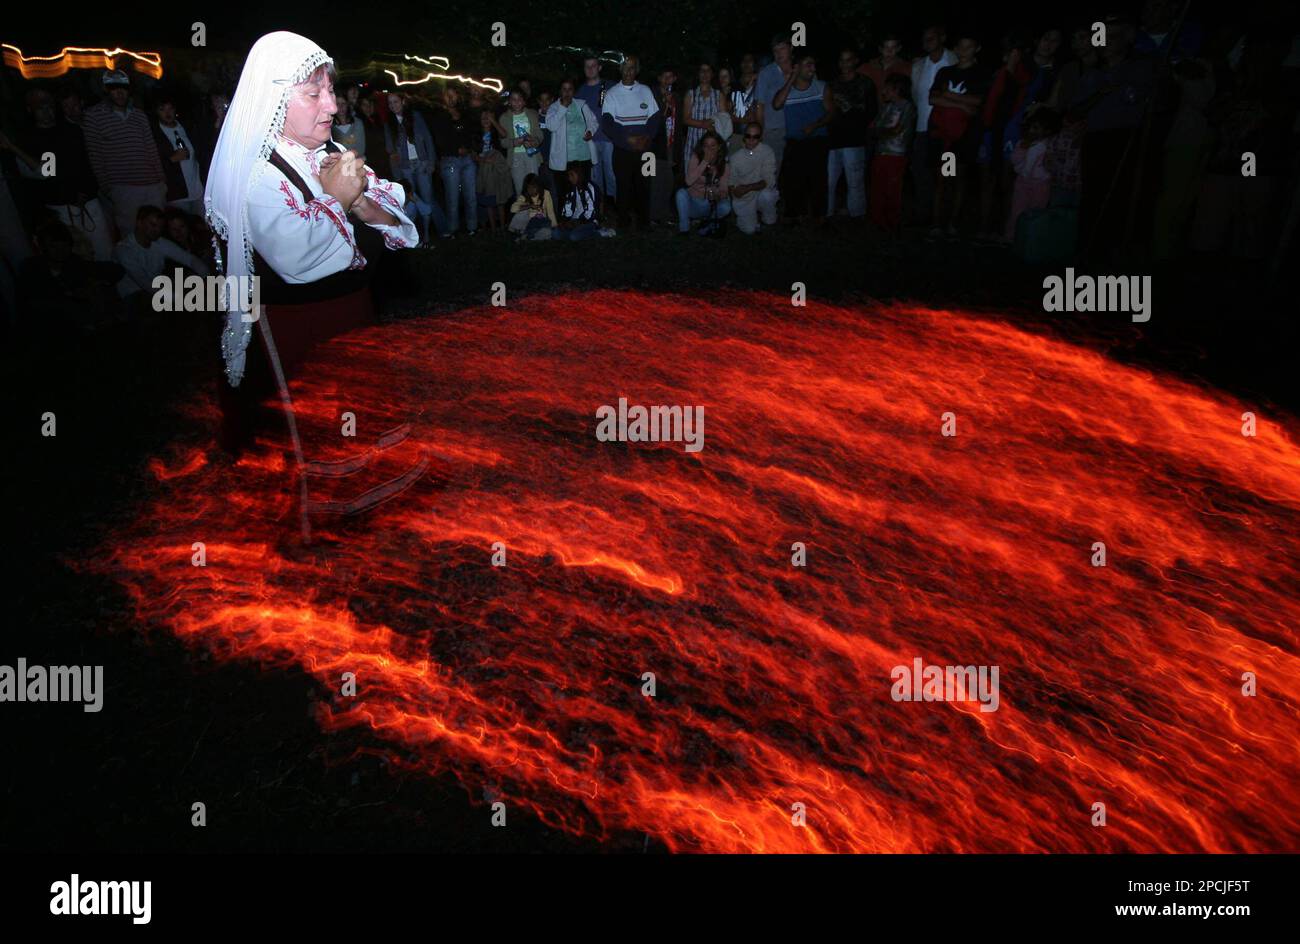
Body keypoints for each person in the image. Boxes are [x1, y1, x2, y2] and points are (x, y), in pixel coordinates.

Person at [205, 30, 418, 454]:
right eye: (312, 92)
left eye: (331, 89)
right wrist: (339, 197)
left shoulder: (330, 151)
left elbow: (401, 226)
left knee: (367, 416)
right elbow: (295, 257)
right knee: (321, 435)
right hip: (301, 331)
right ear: (275, 99)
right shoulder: (257, 174)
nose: (332, 104)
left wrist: (358, 203)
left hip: (354, 313)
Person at [10, 87, 113, 261]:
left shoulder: (72, 130)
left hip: (89, 202)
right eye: (39, 105)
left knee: (105, 252)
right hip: (61, 208)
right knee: (76, 257)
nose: (46, 109)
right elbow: (46, 173)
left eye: (48, 103)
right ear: (30, 109)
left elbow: (88, 163)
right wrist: (70, 195)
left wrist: (87, 191)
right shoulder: (29, 140)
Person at [82, 69, 167, 239]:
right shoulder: (93, 116)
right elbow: (95, 154)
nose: (119, 92)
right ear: (106, 89)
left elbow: (151, 148)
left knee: (158, 232)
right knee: (131, 234)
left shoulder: (139, 115)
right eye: (114, 88)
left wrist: (162, 180)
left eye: (123, 87)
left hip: (152, 184)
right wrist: (108, 187)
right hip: (123, 187)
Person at [927, 35, 991, 240]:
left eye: (969, 46)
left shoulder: (981, 74)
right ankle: (937, 223)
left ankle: (953, 223)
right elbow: (933, 97)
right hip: (942, 133)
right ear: (955, 48)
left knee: (959, 179)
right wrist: (962, 105)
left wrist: (950, 96)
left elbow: (979, 101)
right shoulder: (946, 72)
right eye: (961, 46)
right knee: (941, 179)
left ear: (977, 48)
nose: (964, 51)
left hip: (964, 135)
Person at [600, 55, 663, 233]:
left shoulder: (646, 90)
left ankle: (644, 222)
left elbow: (655, 117)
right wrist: (628, 140)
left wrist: (646, 138)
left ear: (637, 70)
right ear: (620, 69)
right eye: (625, 67)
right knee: (623, 187)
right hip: (622, 150)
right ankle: (623, 222)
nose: (629, 71)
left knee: (645, 185)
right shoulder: (612, 93)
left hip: (646, 150)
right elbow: (607, 123)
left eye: (632, 68)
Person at [774, 54, 835, 225]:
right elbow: (777, 104)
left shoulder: (821, 87)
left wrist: (815, 125)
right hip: (795, 142)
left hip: (817, 140)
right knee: (793, 179)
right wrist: (791, 78)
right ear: (797, 67)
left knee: (818, 180)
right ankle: (795, 213)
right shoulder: (788, 90)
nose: (812, 69)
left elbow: (831, 112)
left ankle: (818, 215)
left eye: (813, 65)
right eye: (808, 65)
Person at [910, 25, 957, 225]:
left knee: (947, 172)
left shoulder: (955, 61)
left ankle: (946, 216)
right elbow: (915, 96)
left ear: (942, 37)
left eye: (932, 37)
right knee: (920, 170)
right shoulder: (918, 65)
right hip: (922, 128)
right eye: (925, 38)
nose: (927, 41)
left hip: (948, 130)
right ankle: (925, 213)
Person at [113, 204, 209, 300]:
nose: (157, 230)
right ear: (139, 223)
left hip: (158, 290)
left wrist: (206, 279)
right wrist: (182, 297)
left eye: (160, 226)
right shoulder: (124, 250)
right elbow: (146, 284)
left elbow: (189, 259)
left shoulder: (159, 242)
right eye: (153, 225)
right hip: (133, 296)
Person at [827, 47, 874, 219]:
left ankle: (857, 214)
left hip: (855, 140)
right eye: (842, 60)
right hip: (833, 139)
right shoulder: (832, 84)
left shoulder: (865, 83)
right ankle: (828, 212)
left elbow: (871, 111)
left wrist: (854, 121)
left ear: (855, 61)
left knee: (855, 181)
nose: (845, 64)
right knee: (830, 181)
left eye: (848, 60)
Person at [385, 92, 439, 234]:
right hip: (405, 167)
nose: (393, 105)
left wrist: (432, 162)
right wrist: (397, 174)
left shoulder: (415, 116)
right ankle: (415, 235)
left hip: (421, 163)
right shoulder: (389, 123)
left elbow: (428, 138)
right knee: (410, 200)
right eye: (390, 103)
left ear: (403, 101)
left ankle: (427, 234)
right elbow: (391, 151)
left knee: (427, 198)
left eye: (395, 101)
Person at [870, 73, 916, 237]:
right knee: (878, 188)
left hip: (896, 155)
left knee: (892, 189)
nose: (883, 91)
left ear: (896, 89)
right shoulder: (887, 107)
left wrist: (881, 132)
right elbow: (874, 128)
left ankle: (892, 222)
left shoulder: (906, 107)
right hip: (881, 152)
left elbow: (896, 130)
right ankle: (879, 221)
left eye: (887, 88)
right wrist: (882, 132)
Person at [430, 86, 479, 236]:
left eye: (453, 95)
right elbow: (439, 140)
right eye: (447, 95)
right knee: (452, 197)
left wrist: (470, 149)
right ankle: (452, 229)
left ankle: (472, 227)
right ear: (443, 97)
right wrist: (456, 149)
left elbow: (472, 133)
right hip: (450, 160)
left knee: (471, 196)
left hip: (467, 160)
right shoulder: (439, 116)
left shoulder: (464, 114)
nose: (451, 98)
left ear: (458, 97)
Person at [1005, 108, 1059, 241]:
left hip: (1040, 185)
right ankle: (1012, 237)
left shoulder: (1048, 146)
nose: (1032, 131)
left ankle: (1031, 240)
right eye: (1031, 127)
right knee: (1017, 210)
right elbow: (1015, 161)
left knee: (1036, 212)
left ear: (1047, 130)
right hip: (1022, 182)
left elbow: (1051, 166)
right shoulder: (1023, 143)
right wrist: (1023, 148)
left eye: (1036, 128)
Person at [544, 78, 598, 206]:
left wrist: (590, 131)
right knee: (565, 192)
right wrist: (563, 107)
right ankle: (566, 220)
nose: (567, 92)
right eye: (564, 89)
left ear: (574, 91)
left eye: (570, 89)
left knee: (584, 189)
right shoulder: (554, 107)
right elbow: (551, 126)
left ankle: (586, 216)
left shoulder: (581, 105)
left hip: (583, 156)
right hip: (564, 159)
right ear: (560, 91)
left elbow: (593, 122)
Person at [151, 91, 206, 216]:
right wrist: (171, 159)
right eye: (162, 109)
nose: (167, 113)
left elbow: (200, 152)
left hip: (198, 189)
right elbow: (150, 162)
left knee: (202, 228)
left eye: (170, 108)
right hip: (176, 194)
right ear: (156, 112)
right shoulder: (154, 134)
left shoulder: (186, 126)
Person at [576, 55, 616, 208]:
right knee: (595, 175)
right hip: (590, 140)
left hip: (609, 138)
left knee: (611, 174)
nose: (590, 69)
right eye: (587, 66)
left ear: (599, 67)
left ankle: (614, 205)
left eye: (593, 66)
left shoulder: (610, 86)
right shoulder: (580, 91)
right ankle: (599, 206)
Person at [753, 34, 796, 173]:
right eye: (775, 51)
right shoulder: (766, 73)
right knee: (772, 173)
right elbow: (759, 105)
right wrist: (761, 132)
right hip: (773, 132)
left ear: (791, 48)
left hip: (797, 131)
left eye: (782, 48)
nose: (778, 53)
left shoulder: (801, 70)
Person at [675, 131, 732, 234]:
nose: (709, 149)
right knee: (681, 193)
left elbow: (724, 189)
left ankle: (708, 223)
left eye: (713, 146)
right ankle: (684, 228)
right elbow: (688, 181)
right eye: (706, 146)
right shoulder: (696, 158)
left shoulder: (724, 165)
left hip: (710, 205)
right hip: (694, 201)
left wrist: (717, 194)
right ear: (702, 147)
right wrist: (704, 162)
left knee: (726, 206)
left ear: (719, 147)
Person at [728, 122, 778, 234]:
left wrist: (748, 187)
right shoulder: (736, 157)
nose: (751, 140)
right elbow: (731, 181)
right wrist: (734, 191)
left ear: (760, 138)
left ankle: (767, 217)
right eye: (748, 136)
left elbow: (770, 179)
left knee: (768, 196)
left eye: (755, 137)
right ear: (744, 137)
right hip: (745, 197)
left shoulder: (767, 151)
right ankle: (752, 219)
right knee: (749, 230)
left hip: (761, 192)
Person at [475, 109, 513, 232]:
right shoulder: (477, 136)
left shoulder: (495, 134)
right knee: (489, 200)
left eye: (489, 118)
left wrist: (494, 121)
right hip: (485, 172)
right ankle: (493, 228)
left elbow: (504, 134)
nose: (486, 120)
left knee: (500, 199)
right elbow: (474, 155)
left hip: (497, 171)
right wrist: (484, 161)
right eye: (483, 118)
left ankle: (502, 226)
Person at [500, 89, 542, 196]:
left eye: (519, 99)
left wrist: (534, 141)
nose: (517, 102)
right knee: (520, 188)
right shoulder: (504, 118)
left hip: (531, 154)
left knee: (534, 186)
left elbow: (539, 133)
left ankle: (536, 212)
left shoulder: (532, 114)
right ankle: (522, 211)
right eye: (513, 99)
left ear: (524, 101)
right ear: (509, 101)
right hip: (515, 157)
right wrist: (514, 142)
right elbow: (503, 142)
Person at [552, 163, 603, 240]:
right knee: (555, 233)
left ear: (579, 174)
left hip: (589, 222)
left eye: (572, 175)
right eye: (569, 176)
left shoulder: (589, 188)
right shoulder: (571, 189)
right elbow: (567, 209)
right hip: (574, 222)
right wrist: (564, 222)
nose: (570, 178)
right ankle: (574, 233)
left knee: (574, 236)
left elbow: (591, 212)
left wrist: (576, 223)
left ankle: (596, 232)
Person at [861, 33, 911, 110]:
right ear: (880, 49)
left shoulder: (906, 68)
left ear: (899, 48)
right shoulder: (868, 67)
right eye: (886, 47)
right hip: (870, 113)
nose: (889, 51)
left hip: (894, 113)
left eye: (893, 48)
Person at [683, 63, 721, 156]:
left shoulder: (719, 95)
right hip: (694, 142)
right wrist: (705, 124)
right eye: (702, 70)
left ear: (712, 74)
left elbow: (724, 118)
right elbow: (685, 119)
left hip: (712, 144)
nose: (705, 73)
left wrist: (711, 124)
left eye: (708, 70)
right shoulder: (691, 94)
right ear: (698, 74)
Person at [508, 173, 557, 240]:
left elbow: (550, 212)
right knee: (522, 213)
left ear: (538, 186)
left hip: (541, 222)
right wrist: (529, 206)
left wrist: (554, 225)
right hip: (527, 222)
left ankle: (527, 236)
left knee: (548, 232)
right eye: (529, 187)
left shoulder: (546, 193)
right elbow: (512, 209)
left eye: (534, 187)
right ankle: (523, 233)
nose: (531, 190)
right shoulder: (524, 196)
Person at [356, 95, 392, 180]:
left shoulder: (377, 119)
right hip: (370, 162)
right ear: (360, 107)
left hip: (384, 160)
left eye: (370, 104)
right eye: (364, 105)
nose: (368, 107)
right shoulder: (359, 122)